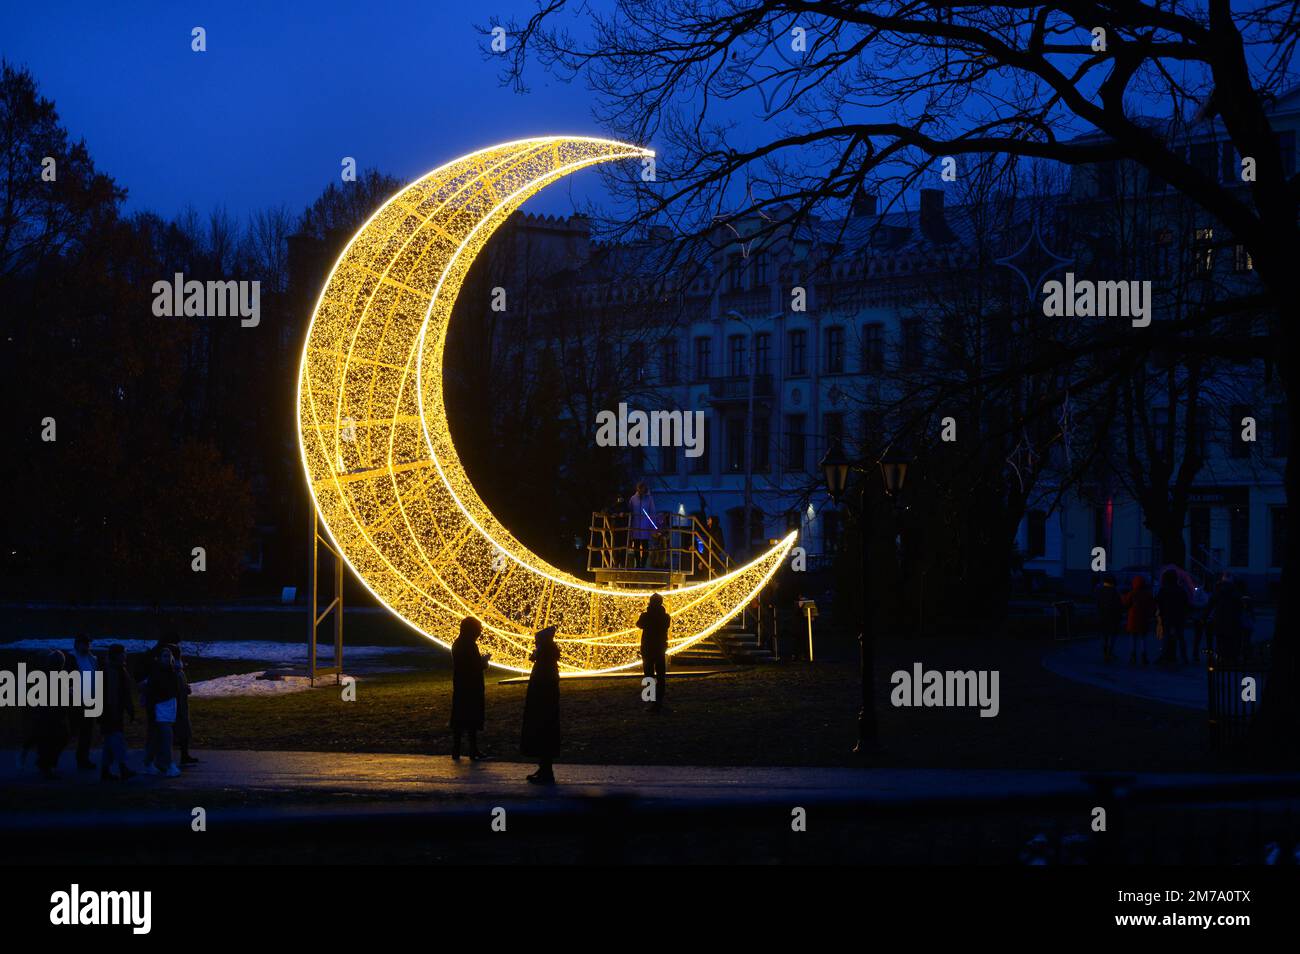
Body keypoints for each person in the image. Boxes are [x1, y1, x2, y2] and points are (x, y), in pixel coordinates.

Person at [520, 626, 561, 784]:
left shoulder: (546, 662)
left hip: (543, 706)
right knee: (541, 735)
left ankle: (546, 772)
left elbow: (545, 683)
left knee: (543, 735)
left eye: (537, 642)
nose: (535, 645)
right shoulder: (545, 659)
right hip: (541, 703)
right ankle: (543, 768)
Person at [450, 616, 490, 760]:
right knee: (470, 718)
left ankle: (458, 749)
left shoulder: (459, 643)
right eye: (478, 628)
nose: (480, 631)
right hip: (470, 686)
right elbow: (473, 665)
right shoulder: (469, 645)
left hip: (462, 685)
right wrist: (484, 663)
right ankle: (471, 750)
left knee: (460, 718)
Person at [99, 645, 136, 781]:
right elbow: (112, 694)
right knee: (117, 739)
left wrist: (129, 708)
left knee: (110, 742)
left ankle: (105, 770)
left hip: (113, 711)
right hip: (110, 711)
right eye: (123, 653)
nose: (125, 655)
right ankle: (122, 767)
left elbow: (124, 693)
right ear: (117, 655)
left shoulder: (118, 670)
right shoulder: (111, 671)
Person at [145, 647, 181, 777]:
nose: (167, 658)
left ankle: (148, 762)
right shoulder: (156, 673)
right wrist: (152, 710)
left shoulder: (172, 672)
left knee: (157, 738)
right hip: (160, 707)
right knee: (166, 737)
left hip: (170, 706)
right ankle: (169, 764)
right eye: (164, 656)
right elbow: (151, 692)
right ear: (159, 658)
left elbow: (175, 690)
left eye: (168, 656)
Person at [637, 593, 671, 712]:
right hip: (660, 647)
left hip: (647, 647)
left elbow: (639, 624)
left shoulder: (646, 615)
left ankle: (652, 700)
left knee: (649, 675)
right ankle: (659, 701)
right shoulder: (666, 616)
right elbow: (665, 626)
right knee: (661, 675)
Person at [71, 634, 99, 770]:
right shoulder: (71, 658)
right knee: (70, 732)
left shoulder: (92, 659)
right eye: (84, 643)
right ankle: (48, 760)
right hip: (75, 701)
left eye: (88, 644)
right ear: (77, 644)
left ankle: (83, 759)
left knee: (87, 732)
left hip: (90, 700)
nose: (87, 646)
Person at [1155, 568, 1190, 664]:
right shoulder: (1181, 590)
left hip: (1167, 616)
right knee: (1180, 637)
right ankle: (1184, 657)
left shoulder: (1164, 590)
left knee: (1166, 636)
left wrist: (1160, 614)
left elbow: (1159, 602)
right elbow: (1186, 603)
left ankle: (1164, 656)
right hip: (1179, 616)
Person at [1121, 574, 1155, 665]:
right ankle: (1144, 656)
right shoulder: (1148, 593)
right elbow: (1152, 605)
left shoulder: (1132, 593)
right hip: (1144, 618)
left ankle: (1133, 656)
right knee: (1143, 638)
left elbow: (1125, 603)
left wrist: (1123, 597)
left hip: (1133, 618)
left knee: (1133, 638)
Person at [171, 645, 197, 766]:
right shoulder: (175, 670)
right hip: (177, 704)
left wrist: (185, 689)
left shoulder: (178, 670)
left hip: (180, 703)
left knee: (182, 730)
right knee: (179, 730)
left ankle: (184, 754)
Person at [627, 481, 658, 568]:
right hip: (636, 526)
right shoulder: (633, 499)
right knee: (636, 546)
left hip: (645, 526)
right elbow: (630, 510)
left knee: (645, 546)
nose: (641, 490)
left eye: (642, 488)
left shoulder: (649, 499)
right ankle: (638, 564)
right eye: (639, 488)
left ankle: (643, 564)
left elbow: (652, 512)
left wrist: (653, 527)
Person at [1094, 573, 1123, 662]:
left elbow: (1097, 604)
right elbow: (1119, 605)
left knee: (1104, 636)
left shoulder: (1100, 591)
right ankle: (1110, 653)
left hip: (1102, 616)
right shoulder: (1115, 592)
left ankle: (1105, 653)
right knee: (1112, 636)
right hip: (1113, 617)